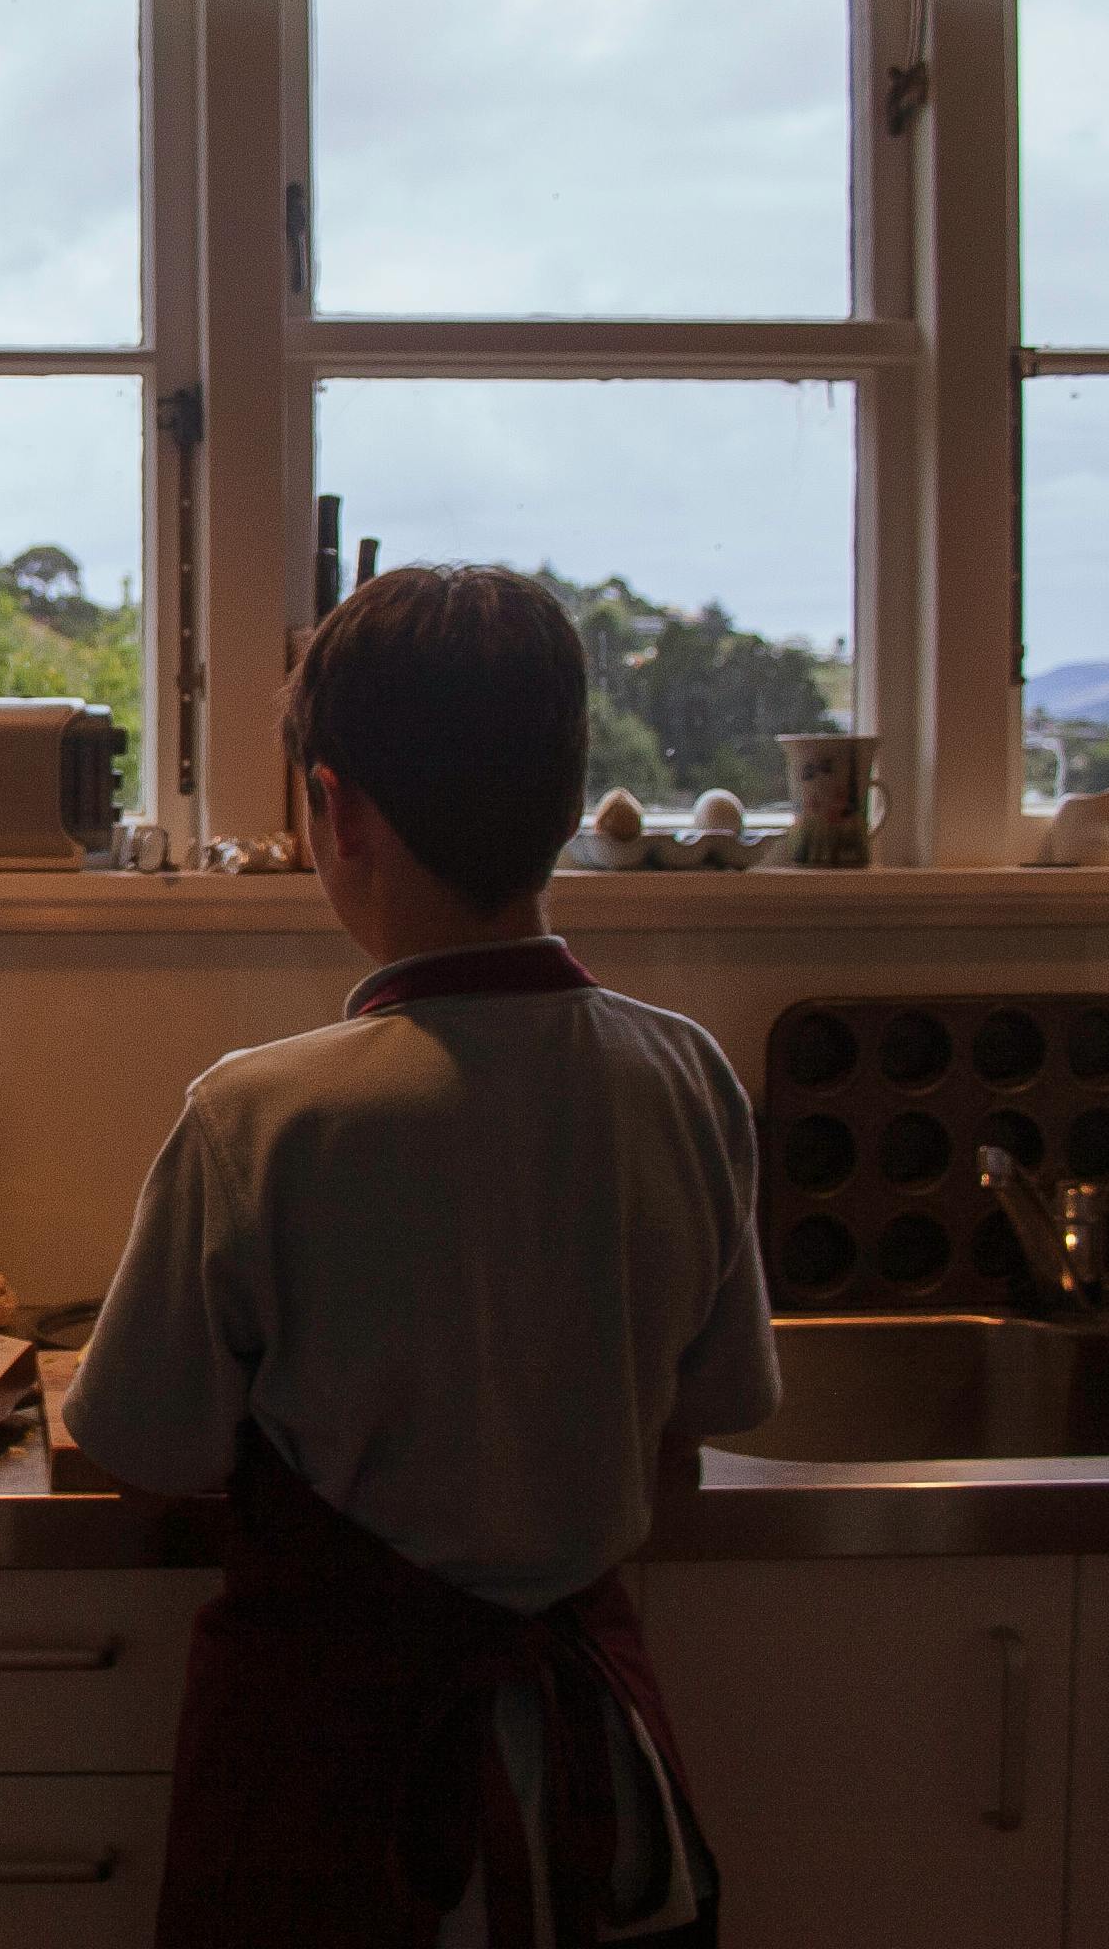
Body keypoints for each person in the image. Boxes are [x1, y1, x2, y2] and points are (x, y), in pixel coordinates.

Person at [63, 564, 778, 1948]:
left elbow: (140, 1448)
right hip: (601, 1809)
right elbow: (704, 1425)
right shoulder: (686, 1078)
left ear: (334, 809)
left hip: (339, 1811)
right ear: (571, 803)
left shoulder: (261, 1117)